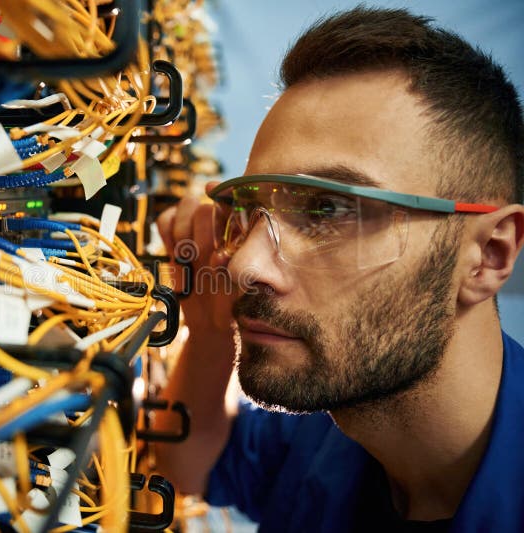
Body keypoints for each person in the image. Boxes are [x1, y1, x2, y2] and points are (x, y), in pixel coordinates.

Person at [154, 6, 524, 532]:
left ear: (489, 254)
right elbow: (195, 460)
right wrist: (209, 331)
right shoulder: (340, 417)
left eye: (328, 210)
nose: (243, 266)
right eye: (249, 209)